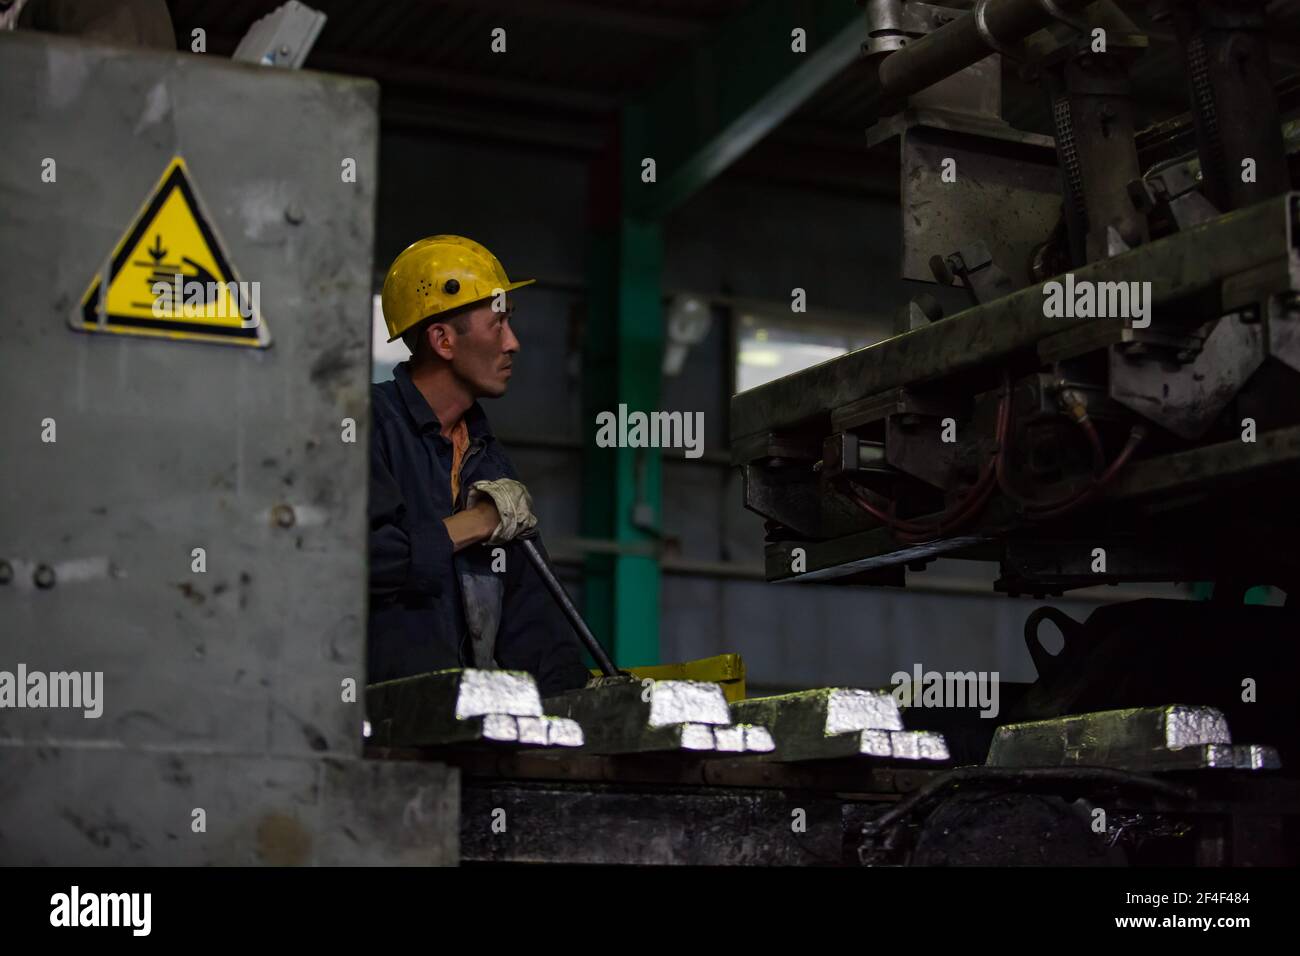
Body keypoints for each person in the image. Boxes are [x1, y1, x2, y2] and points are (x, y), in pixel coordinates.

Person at [369, 235, 590, 697]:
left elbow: (532, 615)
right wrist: (474, 525)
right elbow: (363, 561)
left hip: (459, 733)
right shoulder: (369, 427)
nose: (514, 343)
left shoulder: (488, 459)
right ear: (443, 339)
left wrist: (582, 707)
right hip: (371, 731)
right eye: (498, 325)